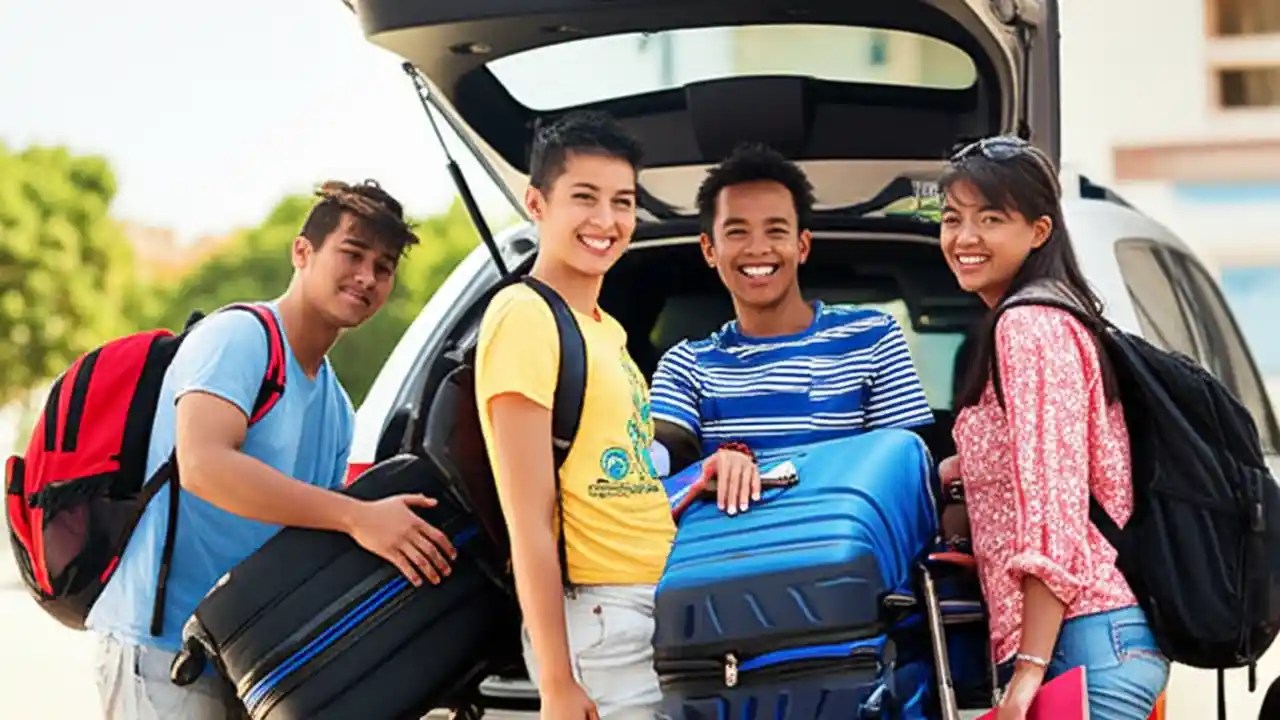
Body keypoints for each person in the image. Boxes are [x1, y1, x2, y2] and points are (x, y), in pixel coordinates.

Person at [87, 180, 459, 719]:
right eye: (352, 254)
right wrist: (357, 516)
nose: (367, 277)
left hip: (245, 656)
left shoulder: (335, 406)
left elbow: (306, 539)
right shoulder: (241, 337)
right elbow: (204, 466)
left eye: (383, 267)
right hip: (160, 650)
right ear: (302, 252)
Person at [934, 135, 1169, 720]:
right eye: (952, 218)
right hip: (1080, 639)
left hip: (1081, 643)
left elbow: (1054, 509)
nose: (965, 238)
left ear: (1039, 231)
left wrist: (1028, 673)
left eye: (990, 218)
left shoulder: (1031, 326)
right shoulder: (1043, 320)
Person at [474, 111, 675, 720]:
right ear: (537, 203)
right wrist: (558, 683)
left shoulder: (604, 329)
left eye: (623, 202)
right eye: (584, 198)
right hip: (596, 619)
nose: (607, 221)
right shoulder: (523, 316)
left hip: (643, 608)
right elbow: (528, 516)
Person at [651, 143, 935, 513]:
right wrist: (707, 470)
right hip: (729, 565)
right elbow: (654, 479)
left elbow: (909, 476)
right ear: (709, 249)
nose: (758, 249)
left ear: (802, 246)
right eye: (737, 232)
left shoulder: (873, 338)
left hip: (853, 562)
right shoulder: (686, 365)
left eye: (776, 231)